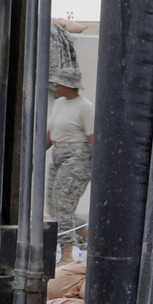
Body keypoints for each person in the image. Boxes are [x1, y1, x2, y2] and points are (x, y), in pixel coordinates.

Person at [46, 65, 95, 264]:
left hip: (77, 157)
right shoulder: (58, 104)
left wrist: (94, 168)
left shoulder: (85, 107)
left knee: (63, 206)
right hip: (59, 153)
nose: (56, 86)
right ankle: (89, 233)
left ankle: (67, 253)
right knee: (53, 206)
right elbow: (51, 134)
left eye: (60, 83)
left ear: (70, 86)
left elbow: (93, 139)